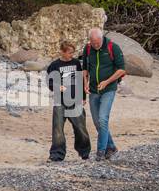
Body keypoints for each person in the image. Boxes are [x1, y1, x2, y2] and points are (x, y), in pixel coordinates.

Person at [82, 27, 126, 160]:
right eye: (93, 42)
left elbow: (121, 70)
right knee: (97, 122)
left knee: (102, 119)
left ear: (102, 38)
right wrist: (85, 83)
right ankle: (111, 147)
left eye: (97, 42)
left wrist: (107, 82)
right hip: (94, 90)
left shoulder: (113, 48)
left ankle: (100, 151)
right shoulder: (88, 49)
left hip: (108, 89)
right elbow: (85, 68)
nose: (95, 45)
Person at [46, 40, 90, 162]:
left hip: (75, 99)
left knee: (80, 127)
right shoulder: (54, 65)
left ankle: (85, 153)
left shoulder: (76, 63)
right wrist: (56, 86)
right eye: (70, 52)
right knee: (58, 128)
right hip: (60, 101)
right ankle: (57, 155)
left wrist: (83, 98)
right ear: (62, 52)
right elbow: (49, 81)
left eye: (73, 52)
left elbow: (81, 80)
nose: (72, 55)